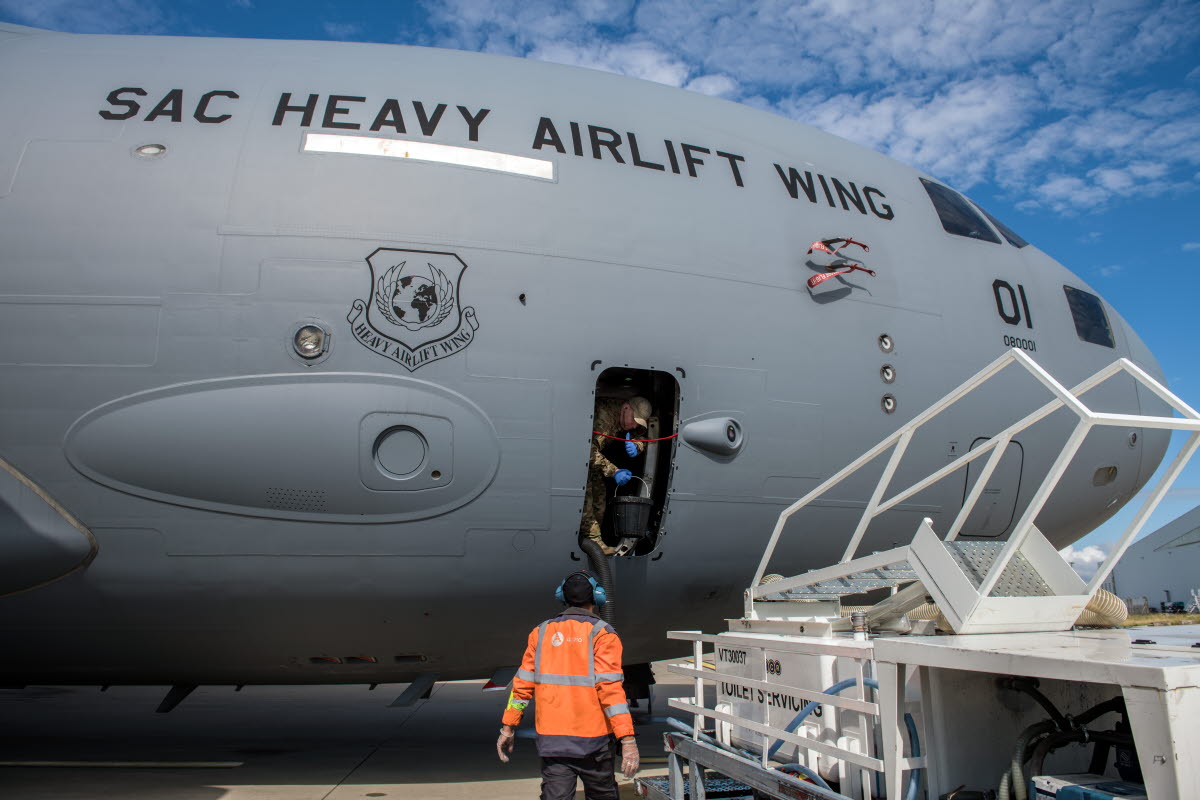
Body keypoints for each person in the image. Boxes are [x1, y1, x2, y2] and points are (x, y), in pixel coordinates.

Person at [496, 571, 639, 800]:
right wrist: (627, 739)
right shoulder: (602, 634)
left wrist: (508, 726)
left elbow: (521, 688)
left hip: (553, 741)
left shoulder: (541, 633)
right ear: (597, 597)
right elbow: (611, 692)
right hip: (595, 742)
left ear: (561, 596)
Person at [581, 396, 652, 555]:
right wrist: (614, 471)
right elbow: (585, 450)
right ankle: (592, 540)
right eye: (635, 420)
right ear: (626, 408)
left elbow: (642, 435)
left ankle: (593, 540)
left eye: (638, 423)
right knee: (587, 495)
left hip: (593, 465)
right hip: (581, 462)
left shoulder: (625, 418)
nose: (634, 425)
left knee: (599, 500)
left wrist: (637, 445)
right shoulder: (604, 416)